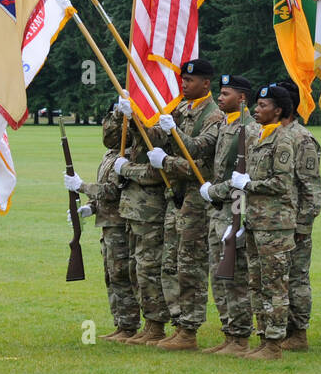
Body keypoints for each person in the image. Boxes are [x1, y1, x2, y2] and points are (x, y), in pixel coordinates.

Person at [206, 84, 298, 359]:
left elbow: (282, 184)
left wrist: (249, 184)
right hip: (257, 222)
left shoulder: (282, 140)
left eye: (263, 106)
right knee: (256, 285)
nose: (257, 110)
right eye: (257, 105)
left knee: (274, 286)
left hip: (276, 226)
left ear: (278, 110)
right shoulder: (257, 137)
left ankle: (274, 344)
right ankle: (262, 339)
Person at [147, 58, 221, 351]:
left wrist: (167, 159)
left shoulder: (214, 116)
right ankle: (177, 323)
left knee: (190, 264)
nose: (184, 85)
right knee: (171, 263)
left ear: (206, 83)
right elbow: (155, 139)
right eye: (182, 81)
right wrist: (139, 119)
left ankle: (189, 330)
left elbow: (201, 157)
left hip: (197, 203)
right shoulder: (180, 109)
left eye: (190, 81)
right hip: (175, 199)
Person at [64, 103, 139, 341]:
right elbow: (103, 196)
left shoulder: (127, 156)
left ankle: (129, 326)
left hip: (120, 223)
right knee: (110, 274)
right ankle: (119, 323)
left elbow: (113, 190)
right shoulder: (110, 154)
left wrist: (82, 186)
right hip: (107, 222)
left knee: (121, 274)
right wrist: (89, 208)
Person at [196, 74, 257, 355]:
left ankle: (241, 338)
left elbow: (242, 176)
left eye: (226, 94)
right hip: (218, 209)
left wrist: (214, 191)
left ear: (242, 98)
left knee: (234, 275)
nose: (220, 98)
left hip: (234, 207)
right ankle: (229, 334)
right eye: (220, 93)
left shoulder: (249, 128)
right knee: (218, 275)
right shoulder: (224, 123)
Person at [115, 96, 171, 345]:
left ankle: (156, 325)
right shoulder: (139, 137)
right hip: (134, 211)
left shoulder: (160, 128)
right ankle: (146, 323)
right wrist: (121, 115)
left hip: (151, 212)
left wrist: (126, 169)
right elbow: (110, 139)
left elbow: (155, 174)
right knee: (136, 269)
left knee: (149, 269)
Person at [271, 81, 321, 352]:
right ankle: (280, 328)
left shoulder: (301, 138)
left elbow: (310, 187)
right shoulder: (274, 135)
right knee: (278, 276)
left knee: (297, 277)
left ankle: (298, 332)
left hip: (294, 222)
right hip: (274, 220)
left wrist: (303, 223)